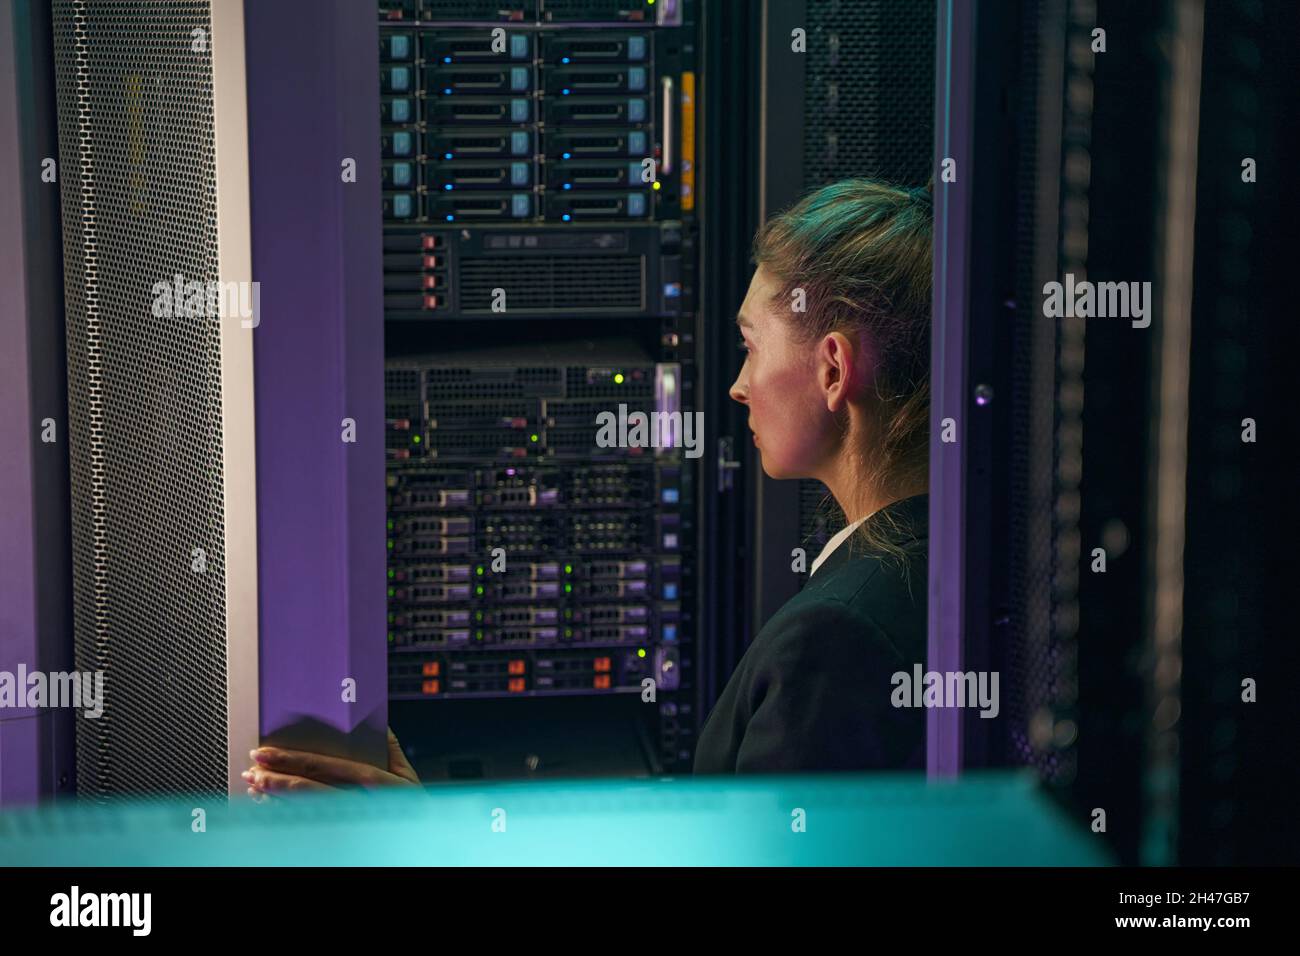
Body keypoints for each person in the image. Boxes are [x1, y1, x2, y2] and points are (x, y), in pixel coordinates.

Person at [243, 177, 933, 795]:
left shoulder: (839, 635)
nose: (738, 385)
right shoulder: (928, 566)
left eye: (751, 346)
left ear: (834, 369)